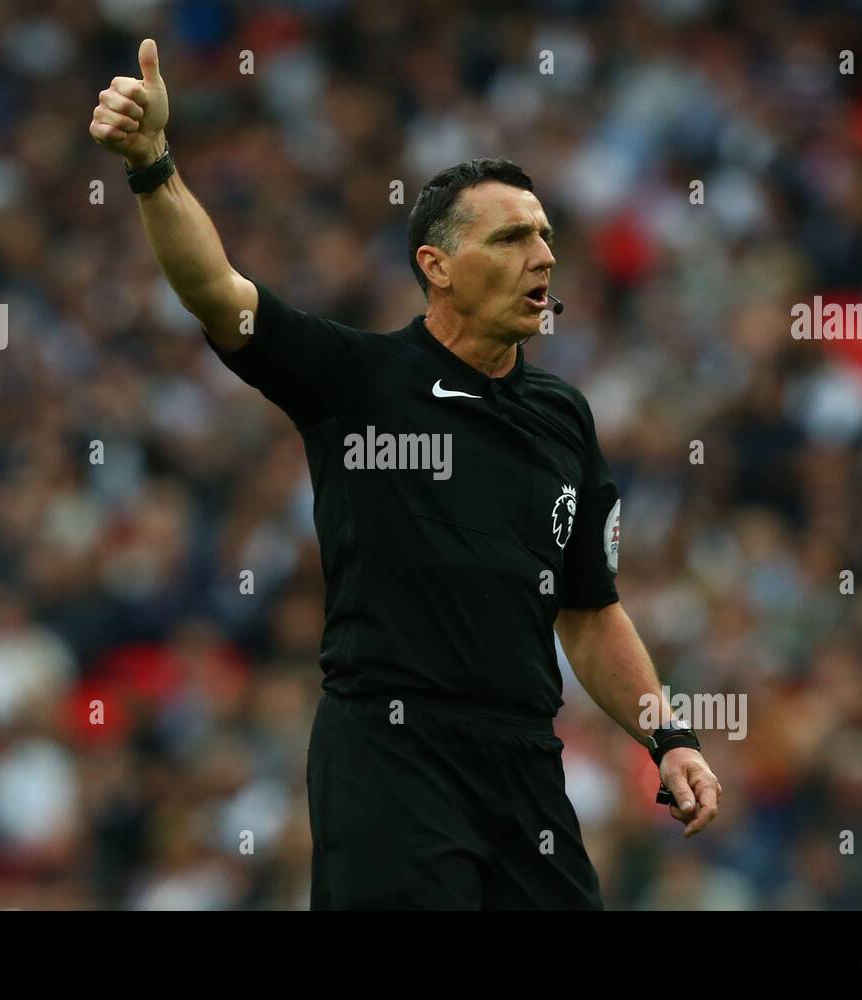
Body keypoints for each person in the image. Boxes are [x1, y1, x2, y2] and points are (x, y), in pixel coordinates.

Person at [90, 38, 723, 910]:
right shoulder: (359, 380)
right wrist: (152, 165)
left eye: (546, 235)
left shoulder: (564, 418)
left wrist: (670, 736)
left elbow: (589, 610)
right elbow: (215, 290)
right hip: (390, 753)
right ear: (438, 268)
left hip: (524, 762)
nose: (543, 256)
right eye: (511, 238)